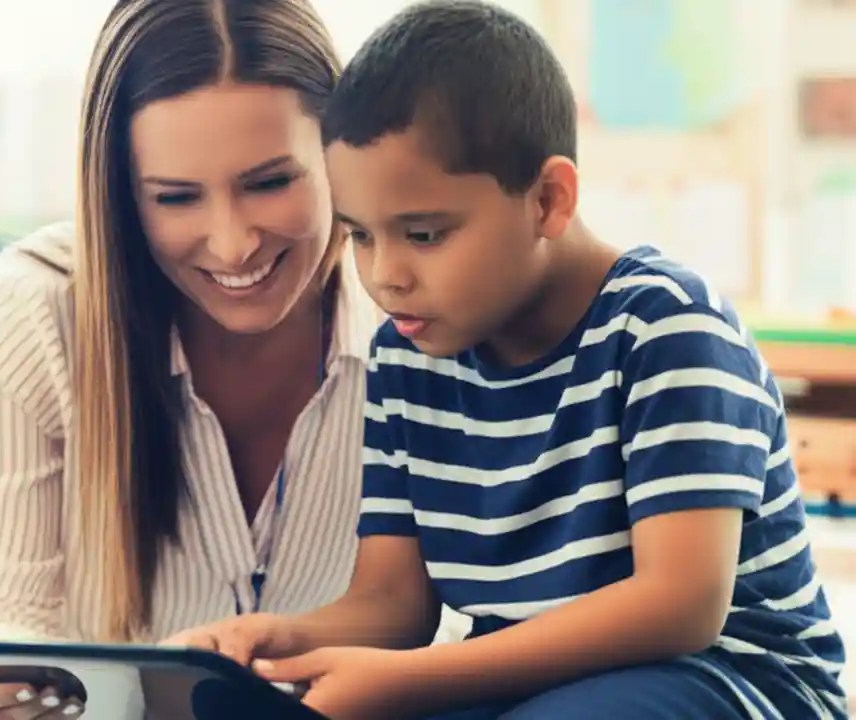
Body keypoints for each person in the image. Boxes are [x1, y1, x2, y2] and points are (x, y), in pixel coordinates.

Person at [167, 2, 848, 719]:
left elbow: (681, 607)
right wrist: (280, 638)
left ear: (549, 200)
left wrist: (413, 682)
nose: (385, 274)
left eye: (423, 234)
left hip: (731, 680)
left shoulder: (667, 329)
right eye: (361, 236)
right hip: (527, 684)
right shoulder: (406, 355)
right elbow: (393, 603)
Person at [0, 0, 399, 717]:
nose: (232, 243)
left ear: (339, 156)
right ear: (122, 196)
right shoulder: (35, 315)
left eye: (270, 182)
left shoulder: (412, 331)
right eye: (176, 197)